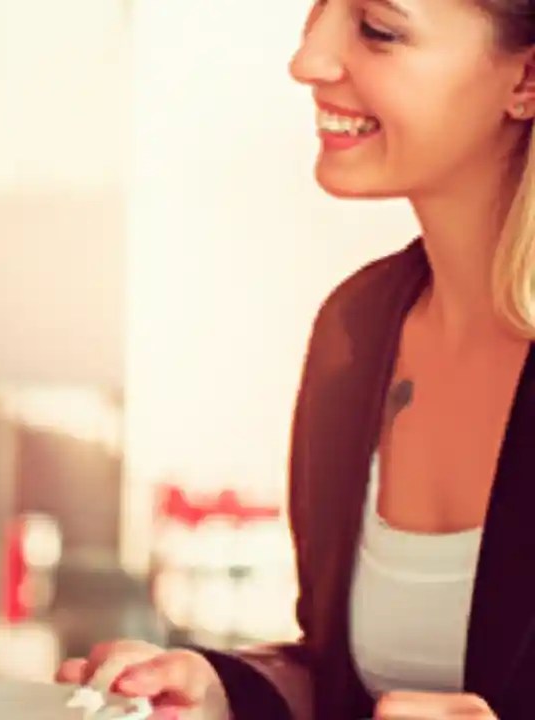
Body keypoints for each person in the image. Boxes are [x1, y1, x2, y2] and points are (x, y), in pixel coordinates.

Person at [60, 1, 535, 718]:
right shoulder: (359, 329)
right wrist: (224, 691)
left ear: (526, 79)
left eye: (378, 29)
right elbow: (341, 677)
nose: (307, 61)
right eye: (319, 12)